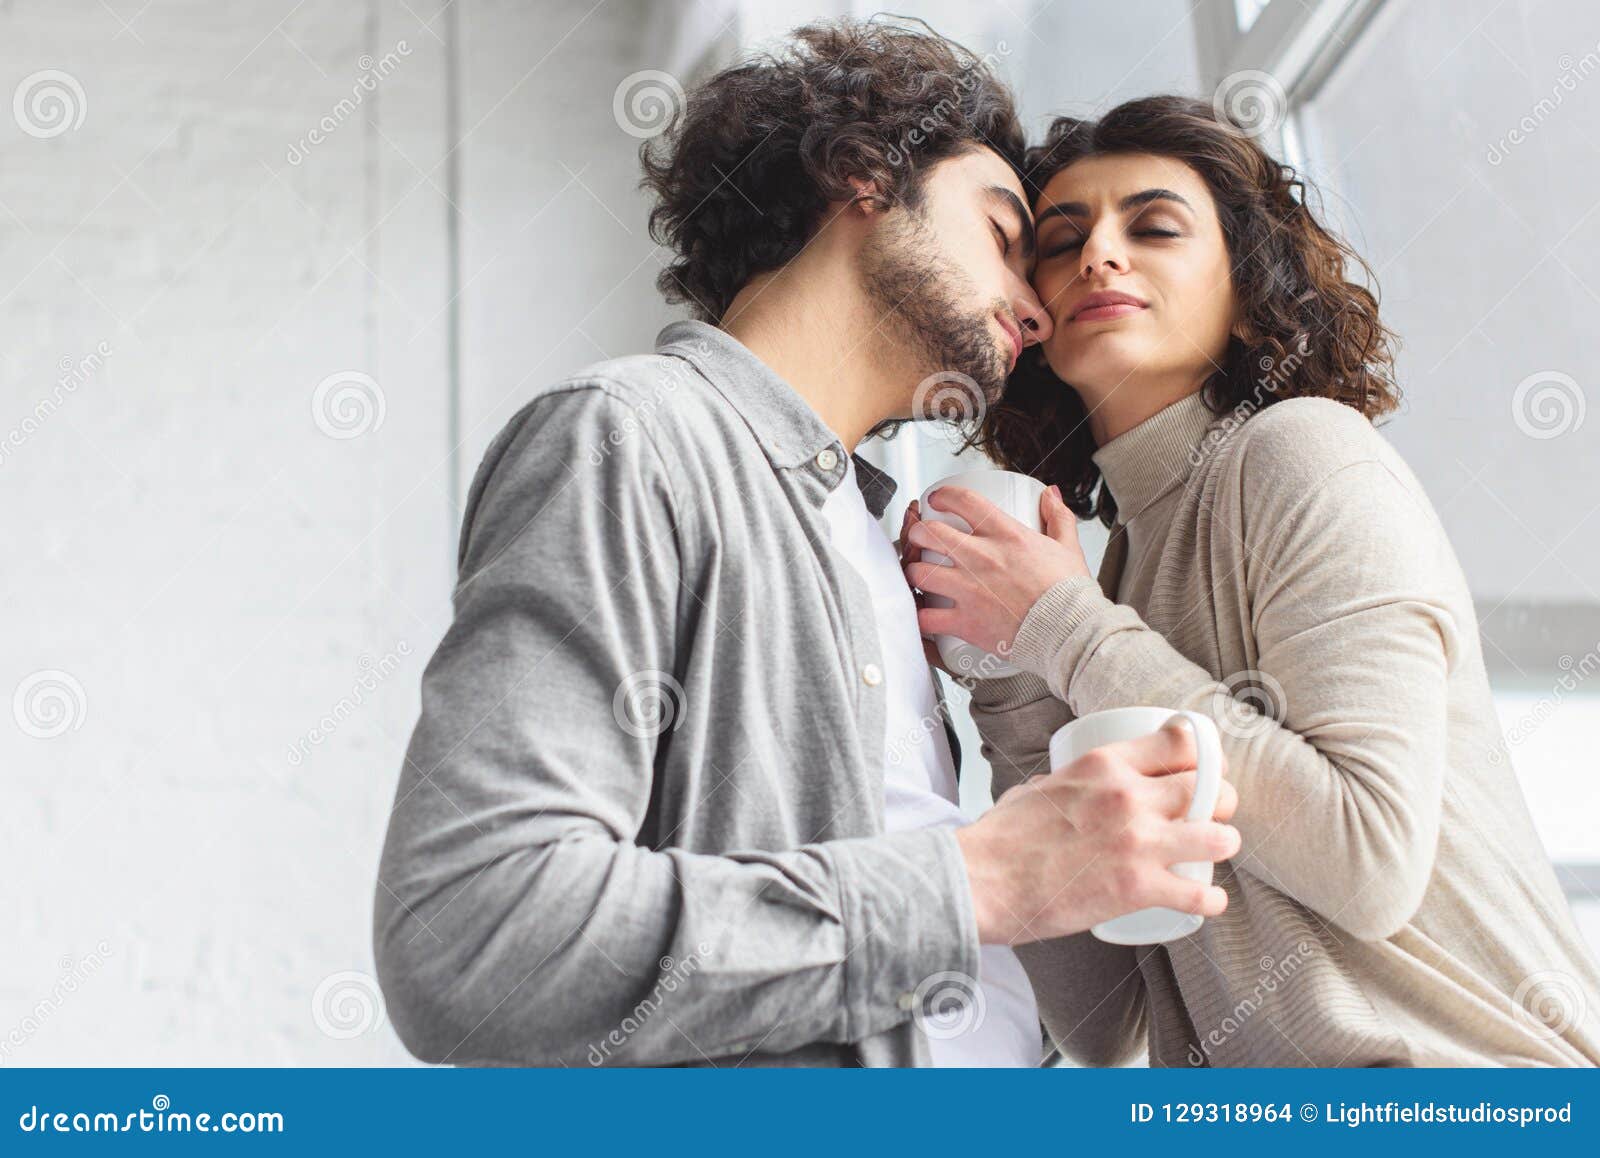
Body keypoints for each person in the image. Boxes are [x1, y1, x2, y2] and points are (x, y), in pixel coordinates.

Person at [372, 25, 1240, 1068]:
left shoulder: (866, 537)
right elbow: (475, 943)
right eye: (1006, 235)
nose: (1036, 306)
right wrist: (980, 881)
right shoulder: (633, 435)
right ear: (863, 174)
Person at [901, 95, 1600, 1066]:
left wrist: (1058, 624)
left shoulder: (1301, 452)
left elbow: (1366, 861)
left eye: (1153, 227)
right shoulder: (1117, 570)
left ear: (1246, 293)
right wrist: (1016, 683)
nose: (1100, 255)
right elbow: (1104, 1021)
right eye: (1061, 241)